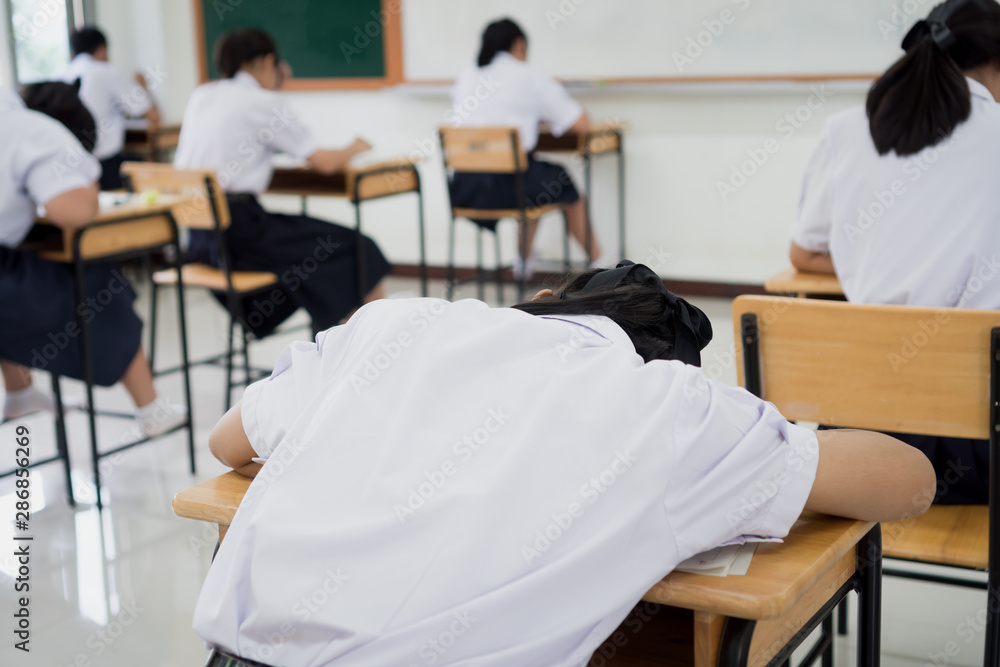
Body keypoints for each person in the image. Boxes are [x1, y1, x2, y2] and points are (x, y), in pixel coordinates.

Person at [195, 261, 934, 667]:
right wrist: (765, 439)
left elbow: (228, 443)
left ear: (545, 298)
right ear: (669, 366)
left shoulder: (395, 319)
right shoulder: (671, 408)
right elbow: (911, 481)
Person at [789, 0, 1000, 503]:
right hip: (979, 450)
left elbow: (803, 254)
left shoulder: (847, 128)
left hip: (860, 445)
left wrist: (878, 264)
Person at [173, 28, 391, 338]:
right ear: (269, 62)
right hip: (240, 234)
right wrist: (354, 147)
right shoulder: (264, 102)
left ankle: (333, 343)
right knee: (361, 251)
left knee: (318, 258)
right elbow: (324, 163)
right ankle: (362, 349)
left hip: (199, 241)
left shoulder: (202, 95)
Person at [0, 86, 183, 436]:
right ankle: (151, 409)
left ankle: (19, 392)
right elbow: (76, 212)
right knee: (100, 281)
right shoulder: (36, 129)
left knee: (32, 261)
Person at [449, 18, 604, 278]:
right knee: (554, 178)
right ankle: (599, 263)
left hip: (466, 189)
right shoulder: (531, 76)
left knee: (533, 174)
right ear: (520, 44)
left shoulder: (466, 75)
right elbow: (581, 124)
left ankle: (524, 261)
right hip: (510, 188)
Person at [61, 26, 161, 190]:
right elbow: (154, 116)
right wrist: (143, 88)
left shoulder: (61, 76)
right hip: (105, 168)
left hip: (71, 170)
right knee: (149, 163)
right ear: (102, 50)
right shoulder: (108, 72)